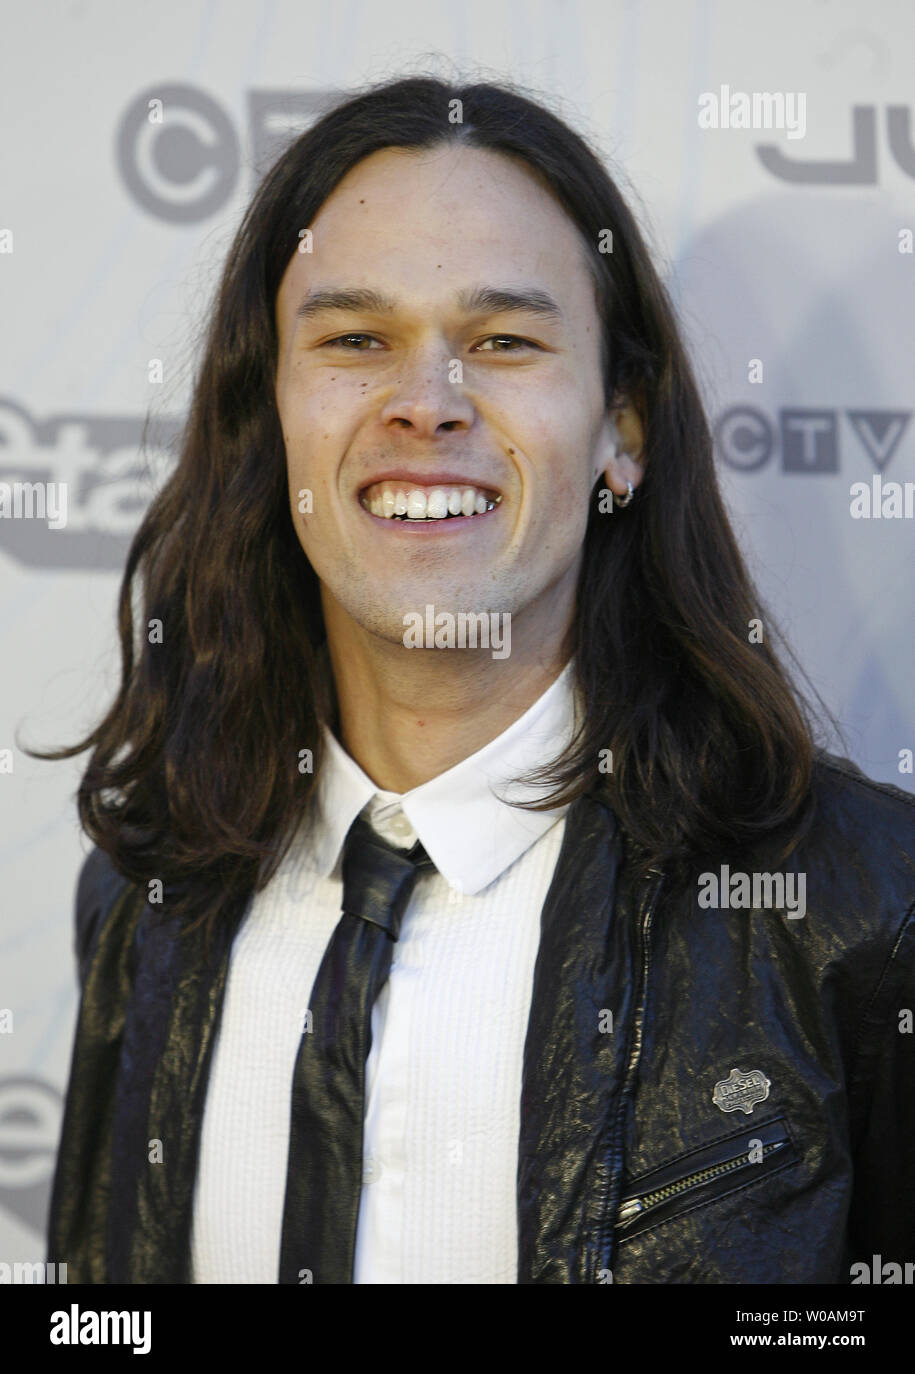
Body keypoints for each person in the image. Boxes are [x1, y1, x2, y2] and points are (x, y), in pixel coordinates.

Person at [38, 73, 915, 1284]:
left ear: (625, 429)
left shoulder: (866, 912)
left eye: (503, 341)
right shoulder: (148, 897)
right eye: (356, 340)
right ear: (268, 418)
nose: (426, 403)